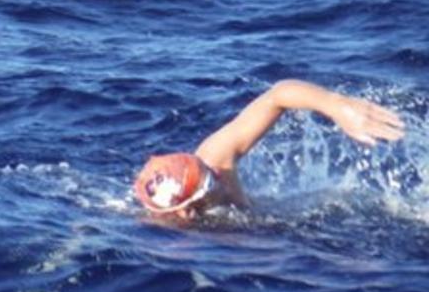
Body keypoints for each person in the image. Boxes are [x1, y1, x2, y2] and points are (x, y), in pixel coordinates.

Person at [134, 79, 405, 221]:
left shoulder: (214, 157)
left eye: (207, 169)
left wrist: (336, 105)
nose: (216, 172)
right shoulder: (192, 236)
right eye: (209, 181)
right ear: (188, 211)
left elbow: (277, 96)